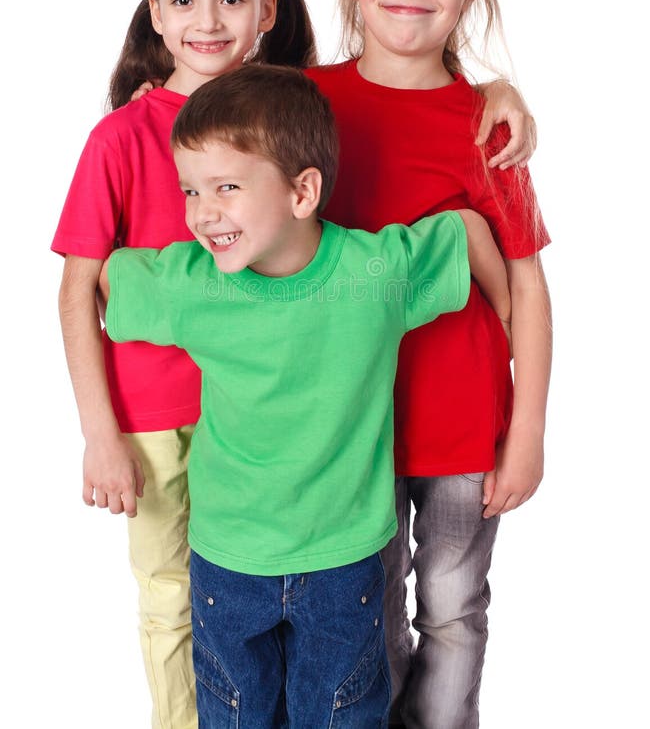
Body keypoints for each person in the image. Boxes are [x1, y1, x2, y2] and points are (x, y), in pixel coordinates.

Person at [99, 63, 512, 728]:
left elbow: (465, 229)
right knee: (241, 716)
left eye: (226, 187)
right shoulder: (194, 279)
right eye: (190, 190)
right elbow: (465, 233)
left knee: (337, 715)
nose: (203, 213)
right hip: (228, 562)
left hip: (342, 562)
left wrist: (512, 328)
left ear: (303, 191)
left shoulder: (375, 273)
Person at [52, 0, 316, 729]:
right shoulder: (122, 137)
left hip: (270, 406)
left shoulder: (301, 114)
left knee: (283, 598)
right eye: (184, 0)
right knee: (173, 597)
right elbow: (75, 291)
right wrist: (101, 434)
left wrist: (496, 88)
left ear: (267, 10)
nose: (208, 22)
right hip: (158, 417)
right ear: (155, 10)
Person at [304, 0, 553, 728]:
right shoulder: (304, 105)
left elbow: (527, 285)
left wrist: (526, 433)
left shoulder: (486, 125)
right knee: (362, 614)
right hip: (347, 422)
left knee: (452, 610)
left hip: (461, 418)